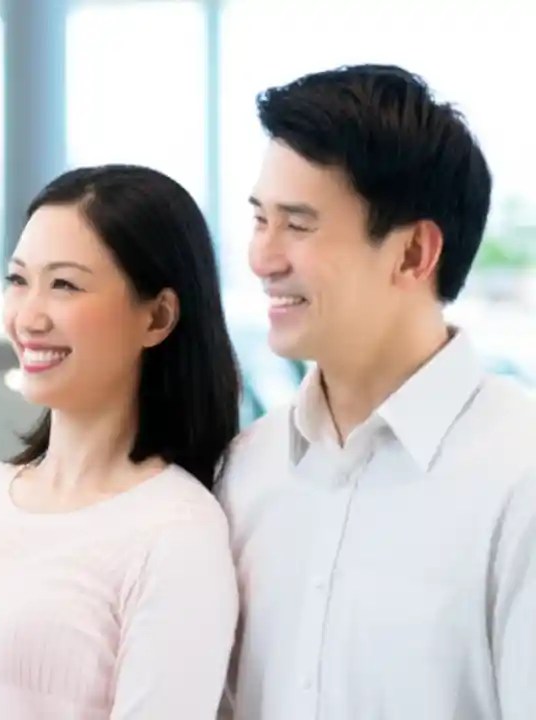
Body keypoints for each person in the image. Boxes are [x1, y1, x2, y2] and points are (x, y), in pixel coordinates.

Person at [216, 64, 535, 720]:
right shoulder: (244, 471)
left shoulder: (519, 476)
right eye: (259, 220)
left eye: (298, 225)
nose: (262, 257)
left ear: (415, 253)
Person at [0, 164, 243, 719]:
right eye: (18, 280)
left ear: (158, 316)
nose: (28, 316)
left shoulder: (176, 532)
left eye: (64, 285)